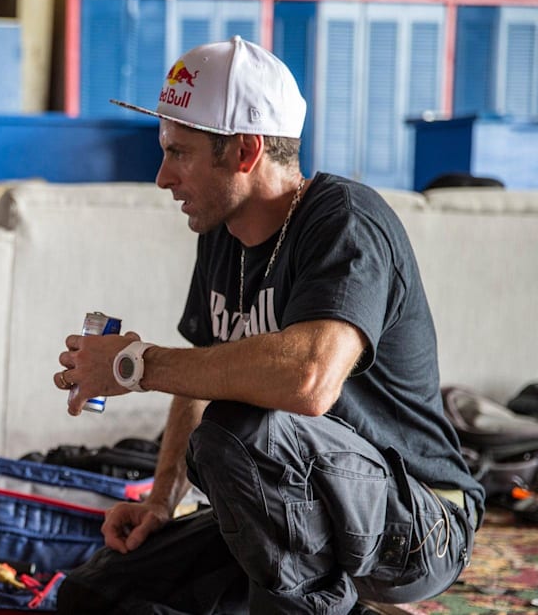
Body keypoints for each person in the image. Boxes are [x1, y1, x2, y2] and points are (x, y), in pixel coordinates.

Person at [53, 37, 483, 612]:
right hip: (302, 510)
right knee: (98, 596)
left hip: (420, 520)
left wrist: (137, 365)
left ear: (245, 152)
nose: (162, 177)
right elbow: (200, 377)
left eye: (179, 153)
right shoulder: (219, 235)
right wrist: (162, 501)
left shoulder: (346, 222)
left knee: (239, 432)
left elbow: (308, 381)